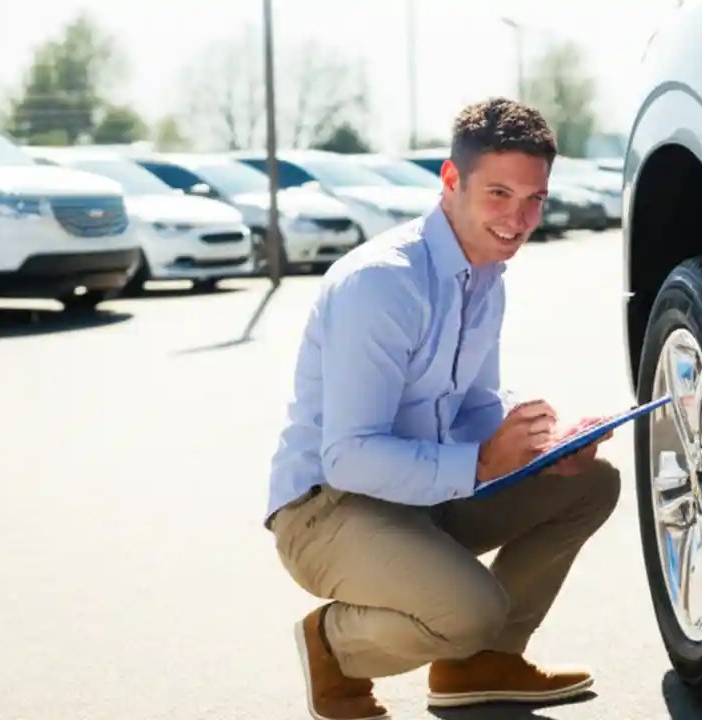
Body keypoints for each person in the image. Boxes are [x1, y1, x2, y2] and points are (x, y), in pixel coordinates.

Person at [264, 97, 621, 720]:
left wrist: (544, 445)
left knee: (590, 484)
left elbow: (476, 404)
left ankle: (478, 665)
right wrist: (484, 463)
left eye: (534, 199)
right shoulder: (381, 283)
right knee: (471, 609)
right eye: (499, 194)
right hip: (326, 510)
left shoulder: (485, 277)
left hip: (417, 500)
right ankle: (333, 646)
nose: (518, 218)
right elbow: (348, 458)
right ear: (451, 182)